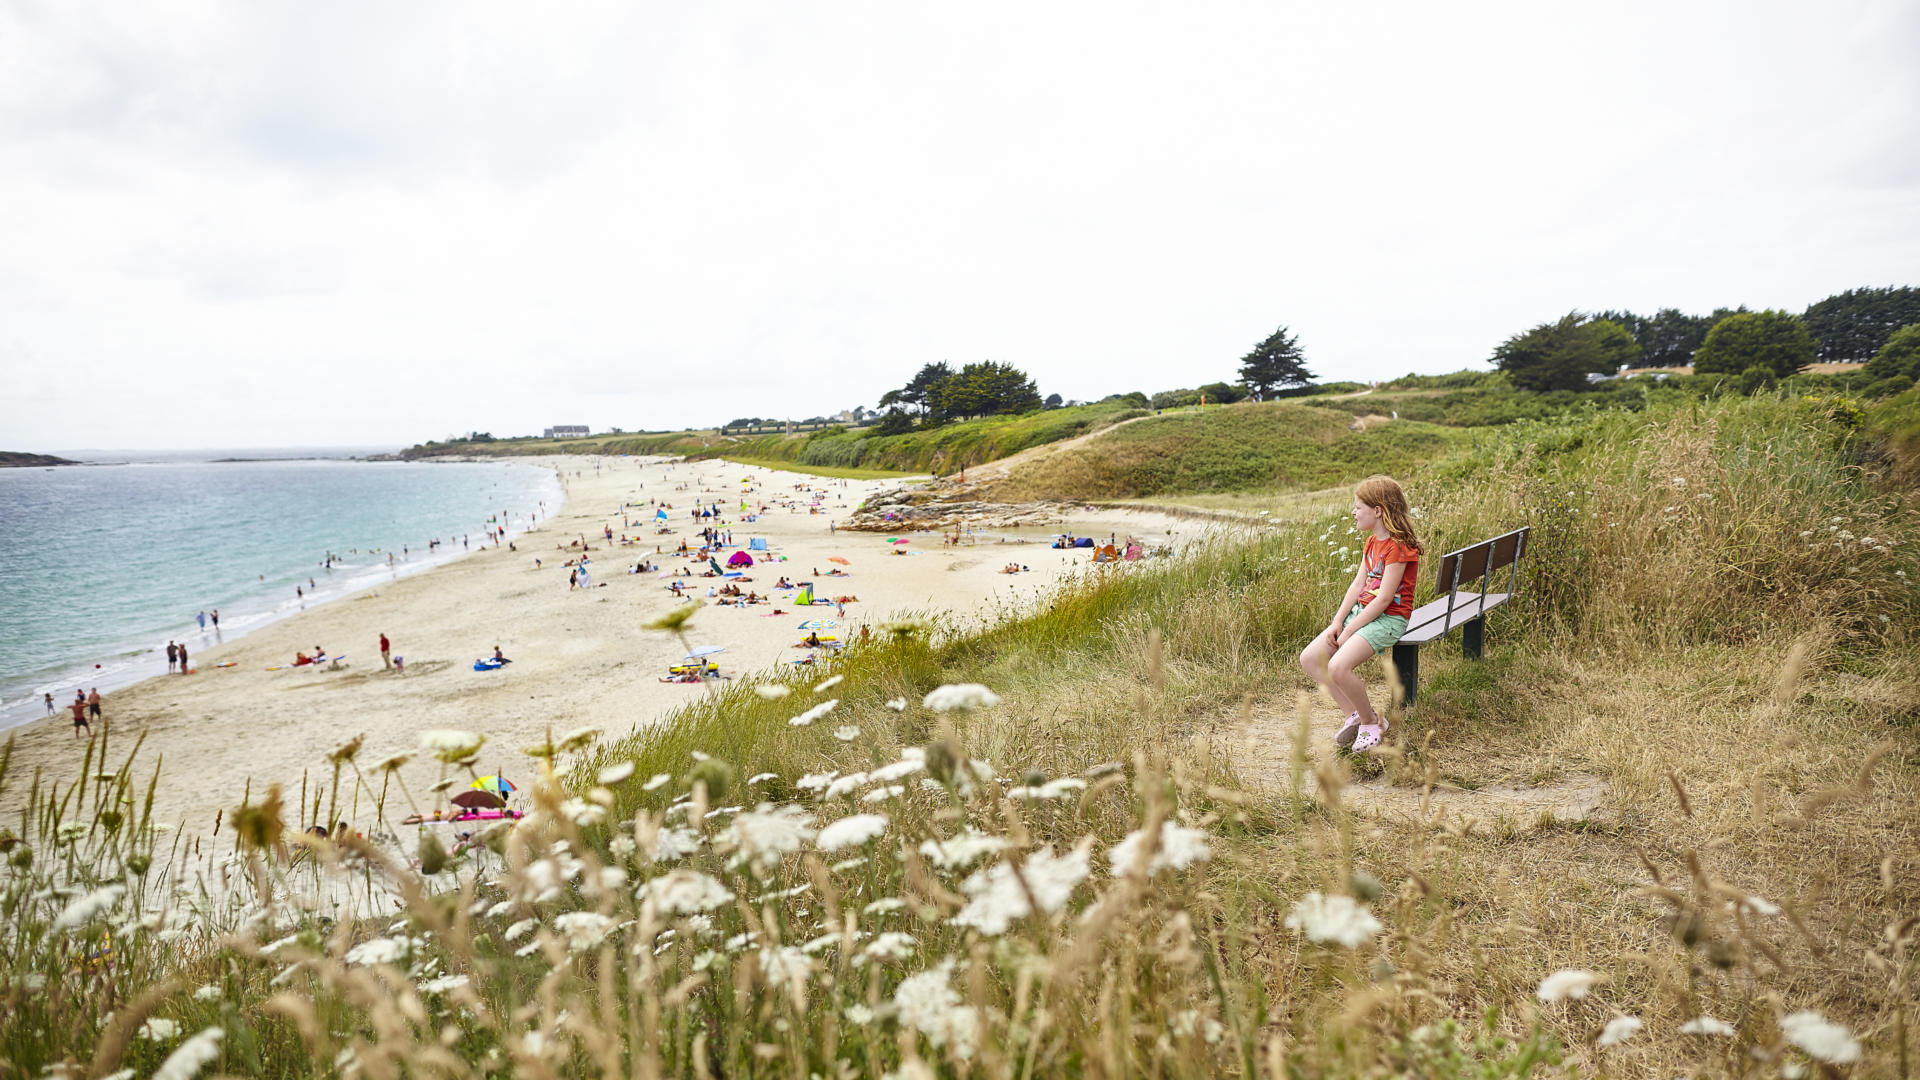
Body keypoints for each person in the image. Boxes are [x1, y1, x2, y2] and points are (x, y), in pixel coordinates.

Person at [1298, 475, 1422, 754]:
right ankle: (1353, 714)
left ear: (1378, 511)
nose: (1353, 513)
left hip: (1389, 619)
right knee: (1310, 659)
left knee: (1338, 667)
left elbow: (1385, 599)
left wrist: (1351, 629)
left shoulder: (1400, 547)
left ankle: (1371, 723)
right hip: (1361, 614)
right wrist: (1338, 621)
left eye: (1358, 507)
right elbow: (1358, 585)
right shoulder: (1370, 543)